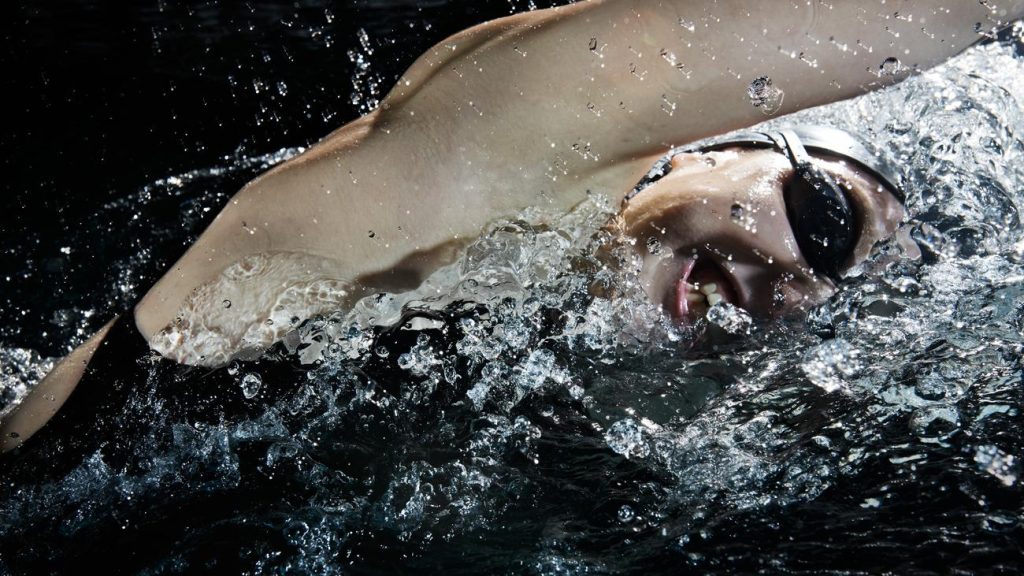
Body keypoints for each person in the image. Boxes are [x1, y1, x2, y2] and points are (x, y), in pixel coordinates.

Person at [3, 0, 1021, 454]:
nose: (798, 286)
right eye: (826, 220)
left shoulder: (554, 416)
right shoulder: (485, 172)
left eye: (834, 296)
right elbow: (638, 62)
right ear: (709, 140)